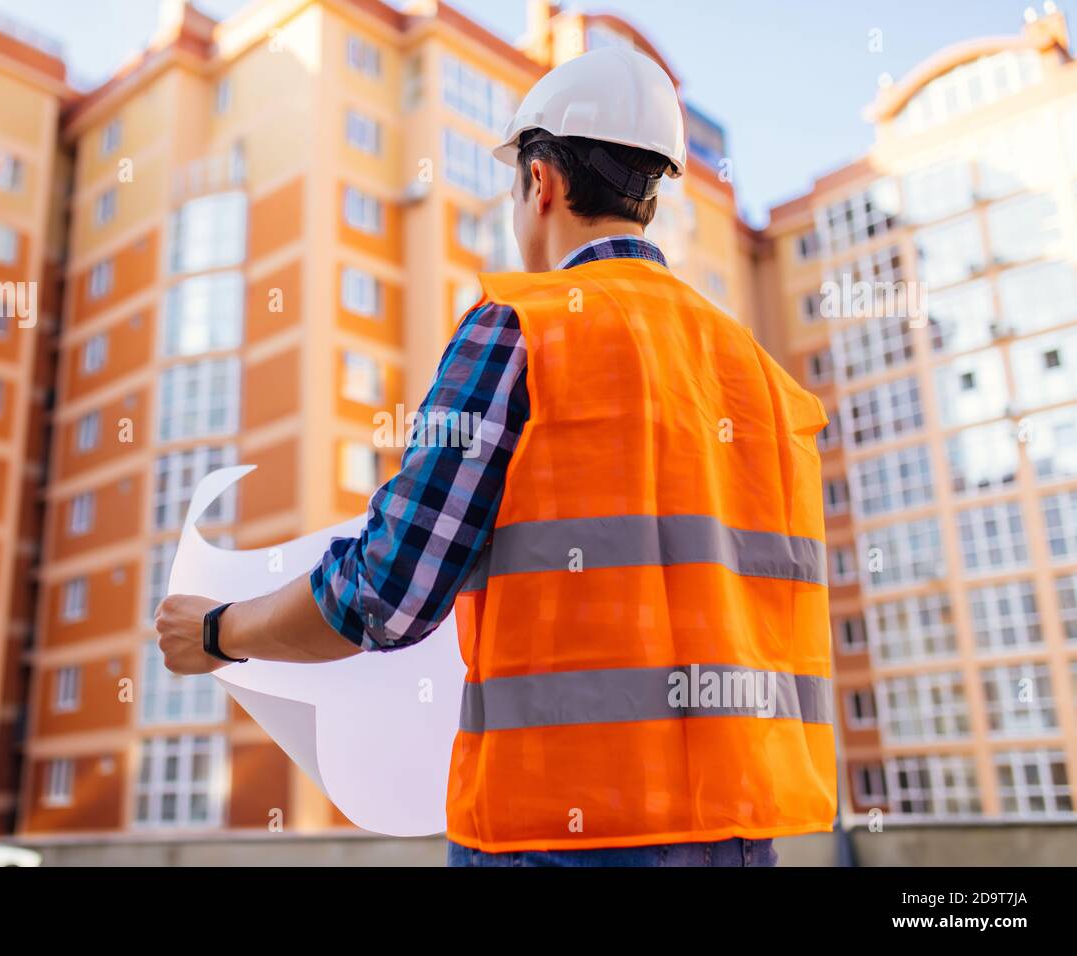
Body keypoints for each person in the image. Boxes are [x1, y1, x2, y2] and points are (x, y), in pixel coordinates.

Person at [157, 46, 836, 867]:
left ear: (540, 183)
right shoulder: (758, 376)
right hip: (737, 828)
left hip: (555, 831)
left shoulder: (522, 326)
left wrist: (223, 631)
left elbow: (390, 590)